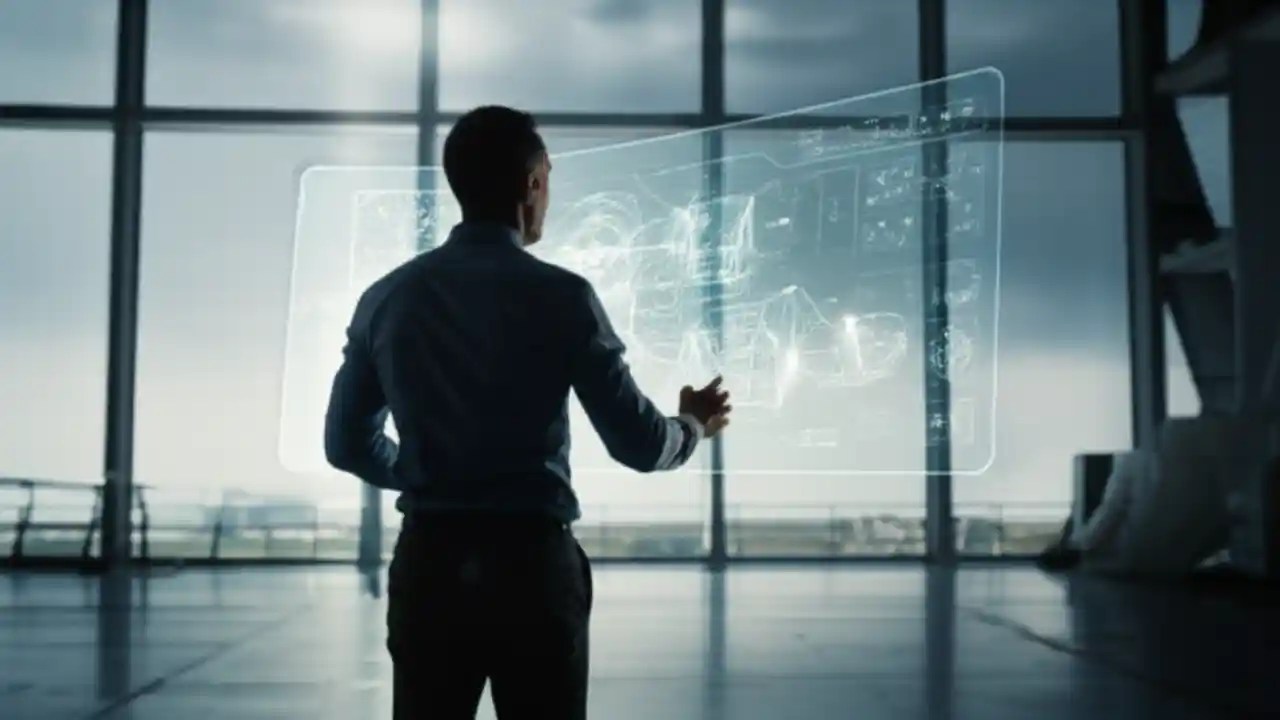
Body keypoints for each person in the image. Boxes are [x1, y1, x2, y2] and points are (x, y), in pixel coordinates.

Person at [323, 105, 732, 720]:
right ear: (533, 180)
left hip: (431, 565)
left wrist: (420, 470)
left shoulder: (390, 297)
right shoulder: (563, 298)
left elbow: (346, 444)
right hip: (533, 572)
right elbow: (640, 445)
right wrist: (693, 424)